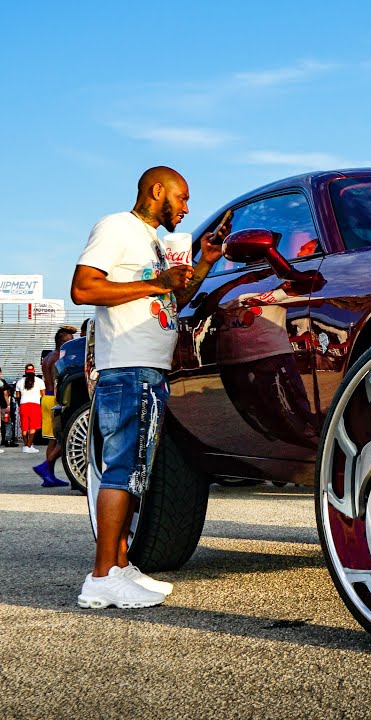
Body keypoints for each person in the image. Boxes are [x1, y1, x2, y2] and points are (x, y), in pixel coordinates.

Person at [70, 166, 227, 610]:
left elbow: (170, 299)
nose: (187, 208)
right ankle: (102, 576)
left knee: (136, 471)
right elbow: (83, 288)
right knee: (123, 469)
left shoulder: (154, 242)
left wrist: (204, 262)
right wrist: (158, 282)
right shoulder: (117, 226)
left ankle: (120, 566)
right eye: (182, 197)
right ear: (158, 190)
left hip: (149, 369)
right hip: (126, 367)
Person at [32, 326, 78, 487]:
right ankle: (46, 467)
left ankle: (49, 476)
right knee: (64, 436)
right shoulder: (59, 357)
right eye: (69, 341)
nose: (71, 344)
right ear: (61, 342)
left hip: (47, 398)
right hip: (55, 398)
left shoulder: (48, 357)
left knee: (53, 438)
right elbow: (58, 380)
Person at [15, 364, 44, 454]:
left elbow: (17, 396)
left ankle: (25, 445)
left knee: (24, 426)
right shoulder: (40, 381)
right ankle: (29, 446)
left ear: (25, 371)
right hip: (35, 405)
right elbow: (43, 394)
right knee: (33, 426)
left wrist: (19, 403)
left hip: (23, 405)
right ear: (34, 371)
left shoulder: (20, 382)